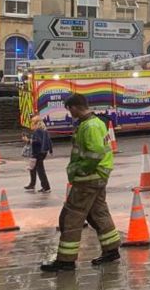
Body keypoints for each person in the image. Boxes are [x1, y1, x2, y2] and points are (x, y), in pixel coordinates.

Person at [40, 93, 121, 272]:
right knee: (98, 213)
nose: (70, 113)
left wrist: (80, 170)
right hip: (98, 177)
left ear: (75, 107)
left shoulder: (89, 126)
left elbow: (95, 153)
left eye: (70, 110)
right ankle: (112, 250)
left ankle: (66, 261)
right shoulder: (96, 122)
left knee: (71, 217)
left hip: (88, 178)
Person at [23, 116, 53, 193]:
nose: (31, 124)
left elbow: (38, 141)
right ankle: (32, 184)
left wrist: (28, 140)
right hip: (40, 152)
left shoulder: (38, 131)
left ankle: (46, 187)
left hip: (38, 153)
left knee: (40, 170)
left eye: (32, 122)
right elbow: (47, 141)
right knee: (32, 168)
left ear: (36, 123)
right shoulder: (42, 130)